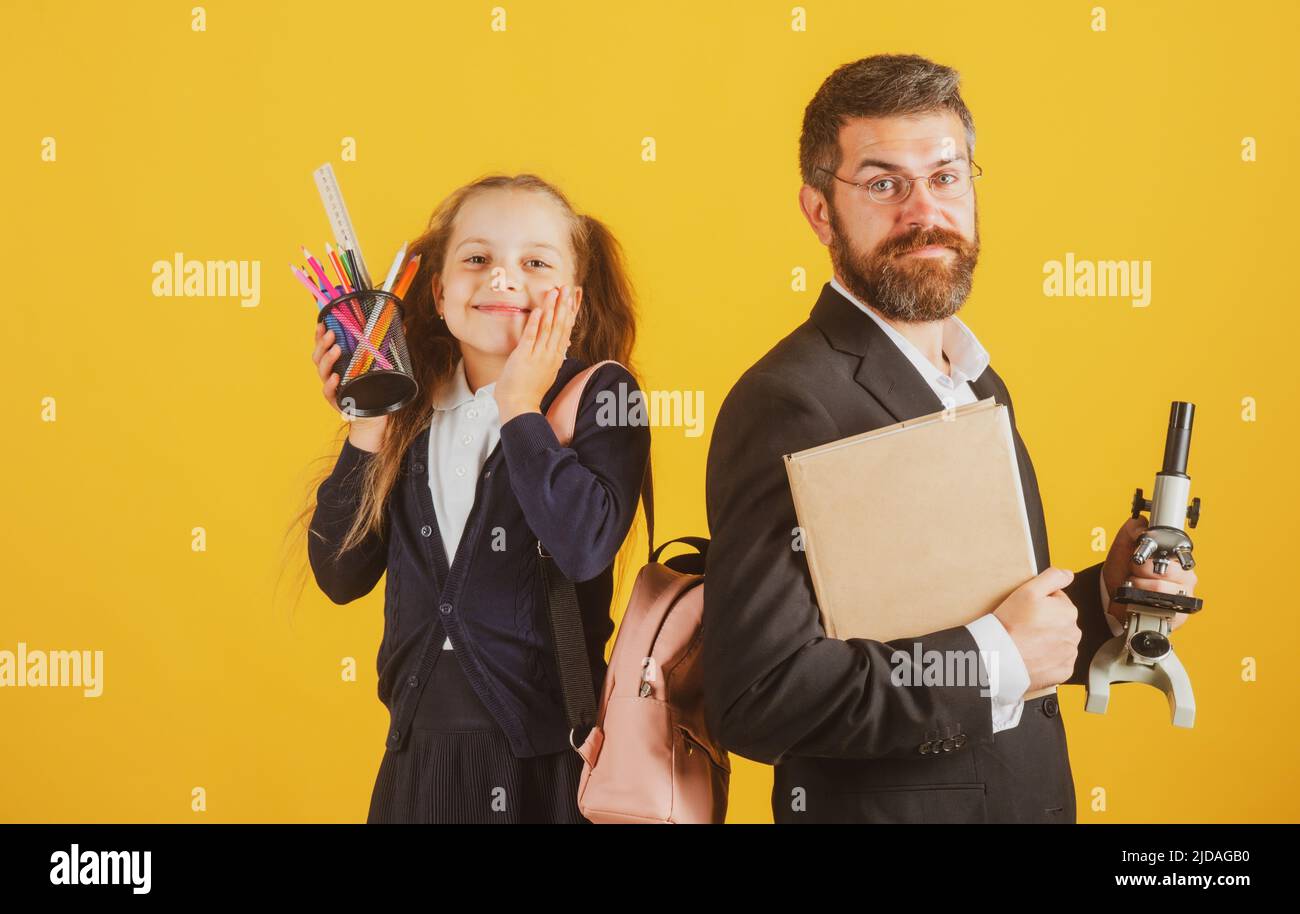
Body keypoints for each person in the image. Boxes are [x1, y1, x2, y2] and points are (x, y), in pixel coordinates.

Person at [702, 54, 1198, 823]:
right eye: (882, 183)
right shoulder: (790, 403)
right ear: (819, 212)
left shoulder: (974, 379)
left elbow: (992, 622)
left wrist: (1107, 596)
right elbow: (760, 695)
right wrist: (994, 656)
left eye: (945, 176)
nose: (922, 210)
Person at [305, 174, 650, 823]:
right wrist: (368, 422)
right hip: (418, 757)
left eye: (535, 262)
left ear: (573, 297)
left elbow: (583, 549)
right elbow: (339, 574)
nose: (501, 278)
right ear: (437, 293)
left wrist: (519, 407)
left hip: (545, 765)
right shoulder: (410, 406)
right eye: (476, 259)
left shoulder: (605, 397)